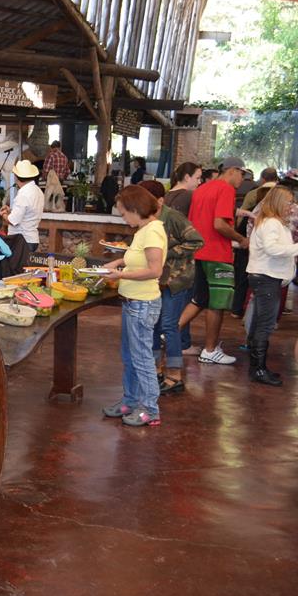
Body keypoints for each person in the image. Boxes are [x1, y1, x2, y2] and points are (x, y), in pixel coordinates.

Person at [103, 186, 167, 427]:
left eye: (123, 213)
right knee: (129, 356)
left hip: (142, 304)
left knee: (142, 359)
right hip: (133, 303)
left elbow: (154, 270)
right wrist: (118, 262)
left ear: (135, 208)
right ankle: (130, 401)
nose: (123, 218)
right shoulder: (143, 230)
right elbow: (136, 257)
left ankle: (150, 409)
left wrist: (120, 275)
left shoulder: (152, 232)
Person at [177, 157, 248, 364]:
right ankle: (210, 350)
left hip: (198, 251)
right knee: (217, 303)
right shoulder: (226, 189)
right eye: (242, 174)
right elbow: (219, 224)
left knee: (200, 299)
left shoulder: (202, 189)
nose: (242, 179)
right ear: (232, 170)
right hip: (216, 253)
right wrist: (241, 239)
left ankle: (169, 332)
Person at [138, 180, 204, 395]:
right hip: (157, 279)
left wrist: (168, 252)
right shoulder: (146, 218)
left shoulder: (173, 217)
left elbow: (197, 241)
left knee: (169, 326)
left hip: (176, 280)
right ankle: (156, 370)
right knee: (154, 325)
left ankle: (174, 376)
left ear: (159, 200)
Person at [245, 186, 298, 386]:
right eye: (289, 202)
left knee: (260, 322)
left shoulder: (271, 222)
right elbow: (272, 248)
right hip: (267, 277)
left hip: (266, 277)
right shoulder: (271, 223)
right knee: (265, 324)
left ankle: (257, 367)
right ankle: (258, 369)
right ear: (278, 202)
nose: (292, 207)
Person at [232, 168, 280, 317]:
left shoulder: (253, 195)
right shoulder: (280, 202)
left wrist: (241, 238)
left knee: (242, 278)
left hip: (248, 247)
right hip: (267, 256)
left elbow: (241, 218)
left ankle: (237, 309)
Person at [1, 160, 44, 252]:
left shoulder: (23, 194)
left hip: (21, 240)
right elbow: (28, 212)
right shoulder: (38, 191)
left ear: (16, 177)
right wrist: (11, 211)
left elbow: (13, 221)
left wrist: (4, 214)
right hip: (31, 238)